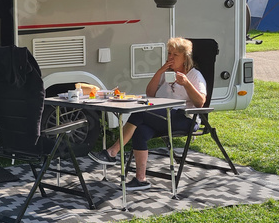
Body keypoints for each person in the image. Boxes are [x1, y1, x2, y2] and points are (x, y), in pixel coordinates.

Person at [88, 37, 207, 191]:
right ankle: (140, 179)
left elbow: (200, 102)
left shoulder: (194, 75)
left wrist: (186, 83)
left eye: (175, 55)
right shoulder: (167, 74)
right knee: (141, 131)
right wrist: (160, 71)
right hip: (163, 116)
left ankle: (113, 151)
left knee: (140, 113)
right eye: (169, 53)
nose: (170, 57)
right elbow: (150, 93)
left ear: (185, 57)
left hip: (183, 118)